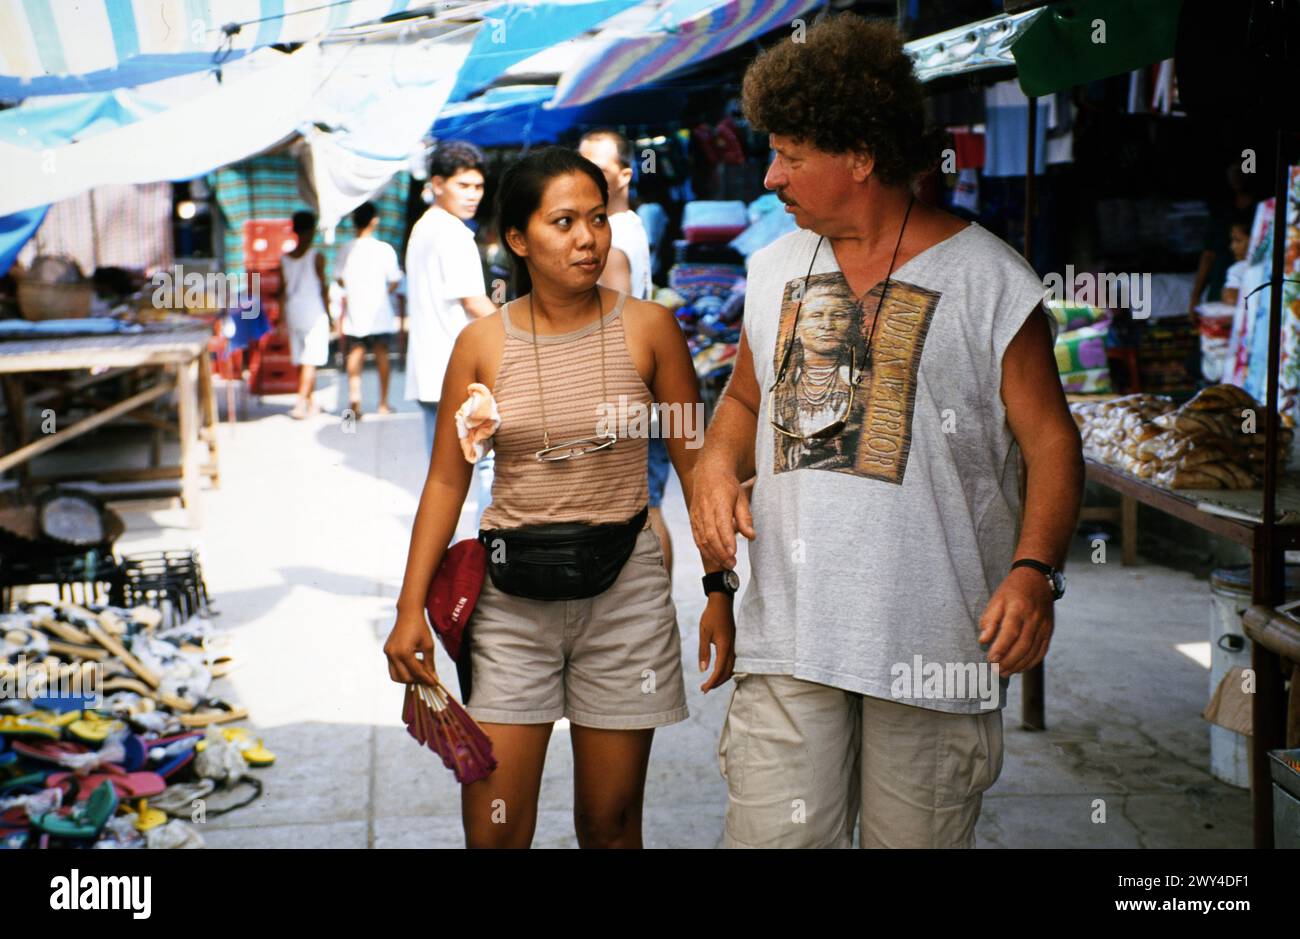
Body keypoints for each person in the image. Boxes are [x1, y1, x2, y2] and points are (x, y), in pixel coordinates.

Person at [688, 14, 1084, 849]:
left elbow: (1052, 441)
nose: (770, 177)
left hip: (935, 641)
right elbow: (742, 402)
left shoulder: (988, 280)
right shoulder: (772, 268)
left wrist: (1034, 570)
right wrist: (715, 470)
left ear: (860, 156)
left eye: (792, 155)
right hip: (790, 637)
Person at [384, 147, 734, 849]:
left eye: (598, 219)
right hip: (511, 604)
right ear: (517, 238)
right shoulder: (481, 343)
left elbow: (697, 466)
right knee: (494, 831)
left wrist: (720, 586)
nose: (587, 238)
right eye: (564, 221)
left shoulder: (652, 329)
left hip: (625, 597)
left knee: (608, 826)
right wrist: (407, 610)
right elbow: (447, 481)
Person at [578, 130, 675, 579]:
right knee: (646, 505)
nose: (584, 176)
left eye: (597, 168)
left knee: (645, 509)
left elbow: (607, 334)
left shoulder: (613, 237)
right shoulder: (627, 224)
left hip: (628, 395)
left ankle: (656, 606)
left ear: (624, 174)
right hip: (640, 393)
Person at [405, 141, 496, 534]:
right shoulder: (453, 233)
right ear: (438, 183)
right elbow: (475, 303)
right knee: (489, 473)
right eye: (464, 186)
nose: (473, 195)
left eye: (478, 186)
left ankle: (455, 576)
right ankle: (484, 570)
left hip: (431, 373)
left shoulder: (423, 227)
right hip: (459, 375)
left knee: (446, 479)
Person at [335, 201, 403, 418]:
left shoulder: (346, 249)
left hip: (357, 309)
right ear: (374, 221)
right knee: (382, 352)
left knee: (356, 351)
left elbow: (339, 279)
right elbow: (394, 280)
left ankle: (355, 396)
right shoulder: (384, 249)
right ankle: (383, 403)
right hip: (379, 310)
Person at [279, 210, 331, 420]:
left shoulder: (285, 259)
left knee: (305, 360)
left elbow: (282, 291)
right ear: (311, 231)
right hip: (314, 312)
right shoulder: (316, 256)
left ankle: (311, 403)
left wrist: (282, 319)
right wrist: (331, 315)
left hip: (293, 311)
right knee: (311, 360)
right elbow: (323, 288)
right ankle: (300, 403)